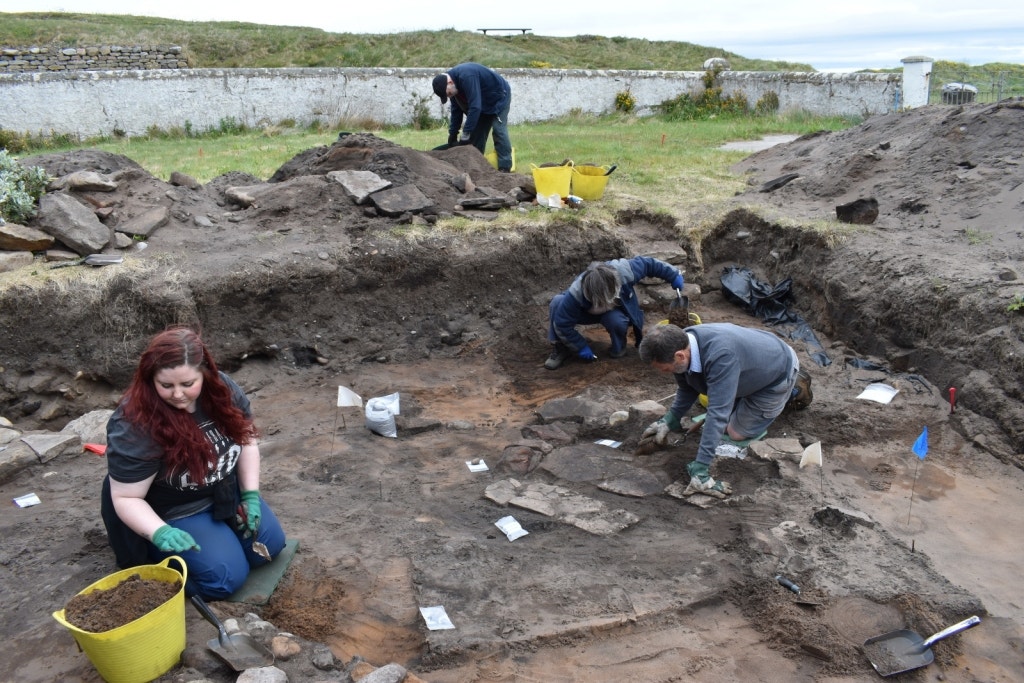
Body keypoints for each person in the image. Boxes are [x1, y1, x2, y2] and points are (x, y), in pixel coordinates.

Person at [100, 326, 287, 599]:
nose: (178, 394)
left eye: (188, 384)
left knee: (268, 550)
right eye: (166, 385)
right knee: (224, 579)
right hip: (174, 507)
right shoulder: (134, 422)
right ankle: (151, 550)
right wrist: (159, 532)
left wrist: (250, 495)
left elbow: (246, 441)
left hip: (222, 488)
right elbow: (126, 497)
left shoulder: (223, 391)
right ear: (150, 379)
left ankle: (219, 536)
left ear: (205, 373)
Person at [638, 322, 812, 497]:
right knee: (723, 400)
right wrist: (670, 419)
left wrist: (701, 470)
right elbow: (687, 388)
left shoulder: (721, 356)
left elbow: (717, 414)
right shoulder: (680, 342)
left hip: (776, 374)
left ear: (680, 356)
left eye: (665, 369)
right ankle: (738, 392)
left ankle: (794, 390)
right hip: (746, 364)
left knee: (735, 432)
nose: (664, 372)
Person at [546, 256, 684, 370]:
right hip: (584, 313)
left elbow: (649, 264)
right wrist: (580, 346)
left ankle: (619, 347)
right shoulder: (576, 293)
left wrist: (673, 275)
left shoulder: (624, 272)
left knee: (616, 320)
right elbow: (562, 323)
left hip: (614, 310)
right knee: (557, 303)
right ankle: (561, 347)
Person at [432, 62, 513, 172]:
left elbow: (475, 107)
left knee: (499, 129)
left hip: (498, 97)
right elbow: (456, 111)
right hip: (482, 102)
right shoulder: (452, 86)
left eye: (449, 94)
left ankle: (505, 167)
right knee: (477, 135)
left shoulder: (467, 76)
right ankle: (477, 166)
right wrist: (453, 134)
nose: (449, 96)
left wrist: (466, 133)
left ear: (450, 82)